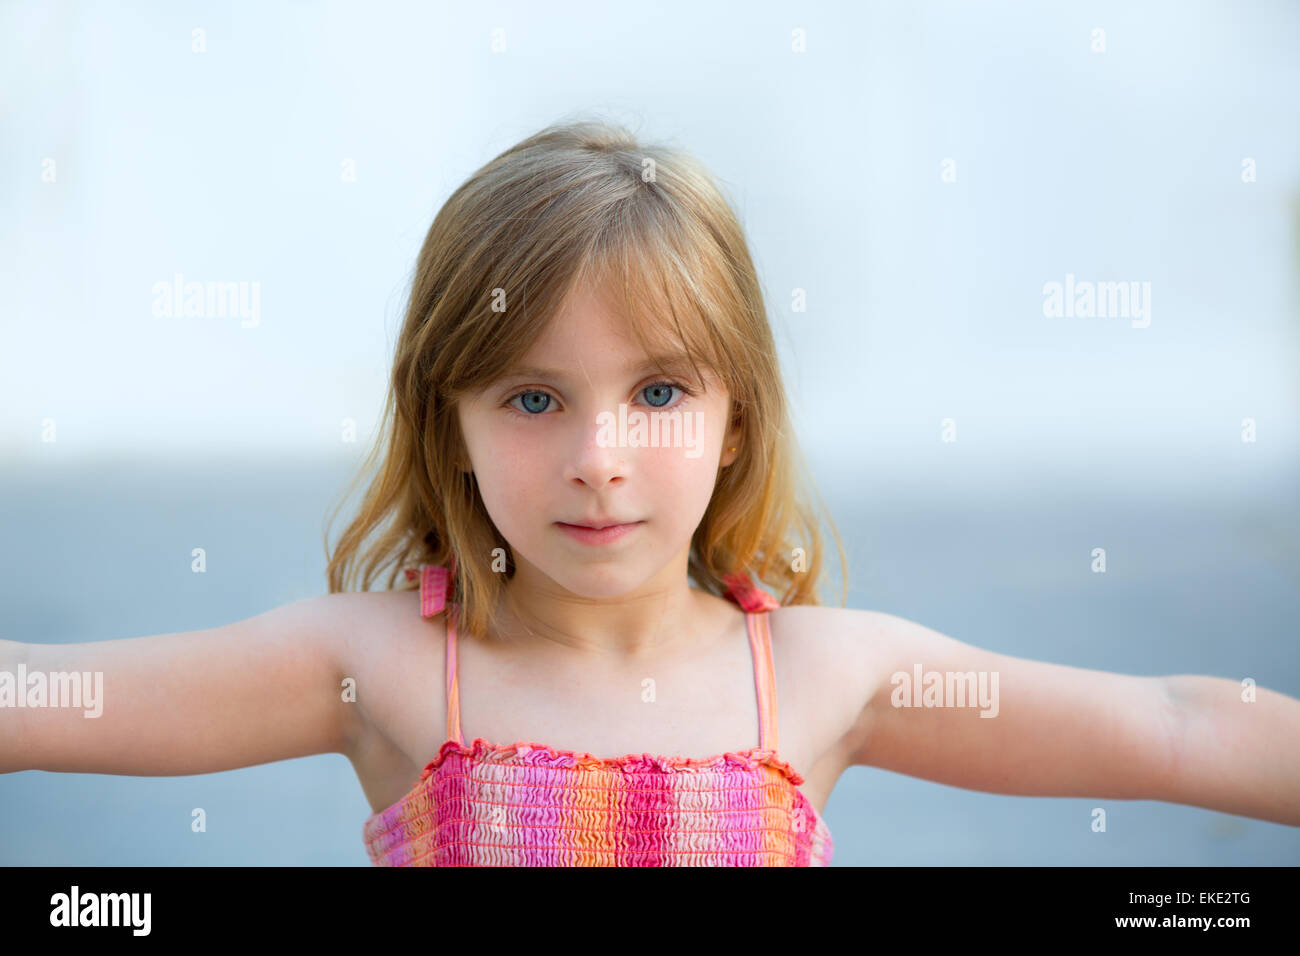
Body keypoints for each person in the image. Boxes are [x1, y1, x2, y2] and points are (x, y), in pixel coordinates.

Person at [6, 118, 1298, 867]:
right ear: (445, 422)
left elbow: (1180, 725)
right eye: (531, 398)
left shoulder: (822, 673)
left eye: (663, 395)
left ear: (739, 417)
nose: (599, 456)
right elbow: (42, 701)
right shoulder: (378, 665)